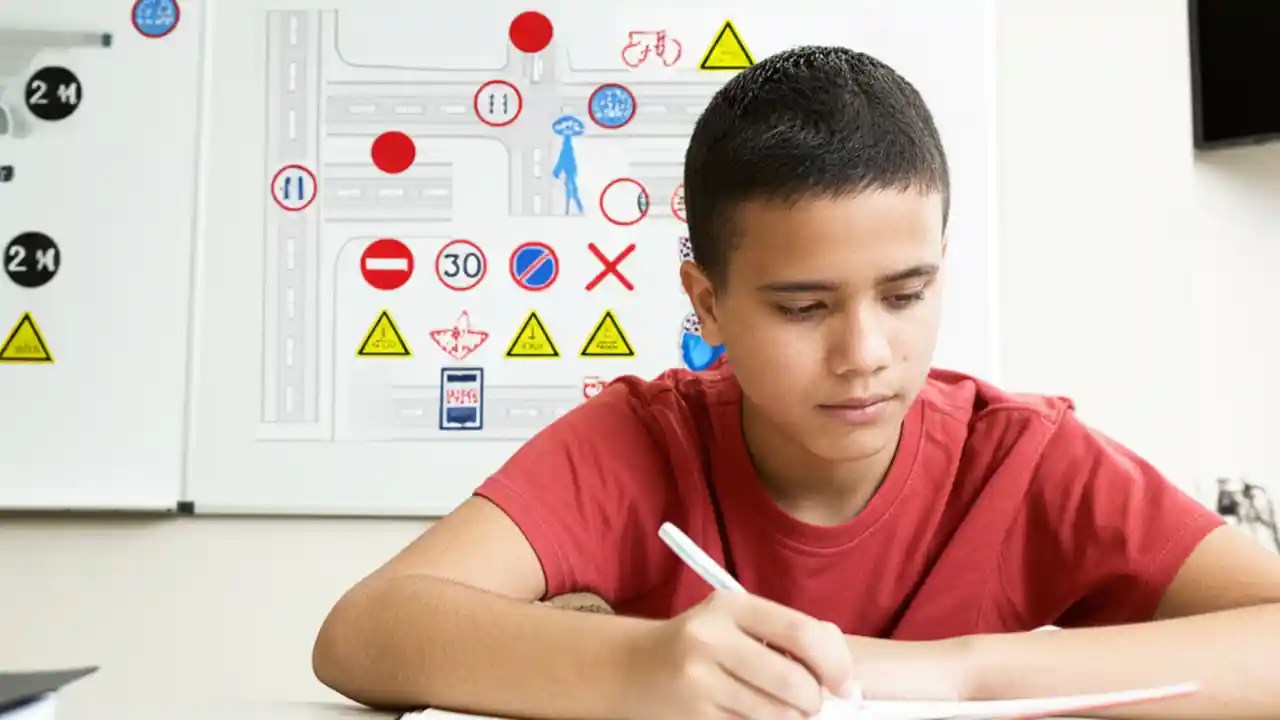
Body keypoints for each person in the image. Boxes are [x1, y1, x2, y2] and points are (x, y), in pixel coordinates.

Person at [311, 46, 1280, 719]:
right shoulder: (640, 445)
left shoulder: (1019, 458)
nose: (864, 352)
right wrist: (648, 667)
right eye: (802, 308)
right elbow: (364, 633)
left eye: (904, 293)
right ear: (707, 304)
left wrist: (953, 676)